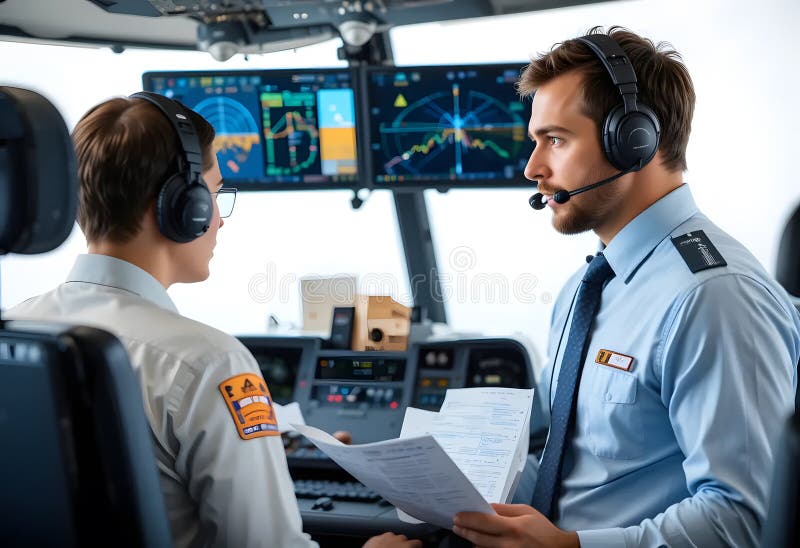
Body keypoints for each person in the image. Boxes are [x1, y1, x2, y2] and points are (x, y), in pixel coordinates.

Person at [6, 93, 420, 548]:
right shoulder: (208, 362)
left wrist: (254, 453)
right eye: (215, 192)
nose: (220, 220)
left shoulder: (22, 331)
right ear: (183, 205)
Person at [452, 27, 800, 547]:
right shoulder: (586, 288)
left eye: (556, 140)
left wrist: (570, 547)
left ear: (635, 140)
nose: (533, 168)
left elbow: (744, 519)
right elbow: (562, 457)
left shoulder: (716, 297)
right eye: (535, 142)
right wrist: (449, 495)